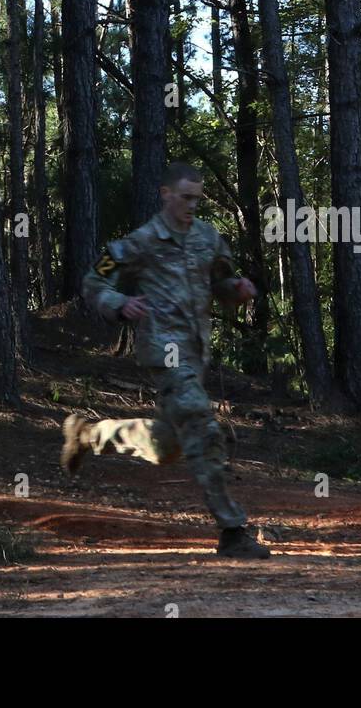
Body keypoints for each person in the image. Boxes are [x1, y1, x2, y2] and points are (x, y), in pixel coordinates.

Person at [62, 162, 271, 559]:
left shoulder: (208, 238)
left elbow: (221, 283)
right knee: (201, 426)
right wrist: (120, 302)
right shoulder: (142, 241)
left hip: (196, 351)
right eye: (186, 197)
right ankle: (232, 530)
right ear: (166, 194)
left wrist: (238, 290)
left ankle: (89, 434)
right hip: (164, 348)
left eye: (198, 199)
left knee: (167, 444)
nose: (192, 206)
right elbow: (94, 280)